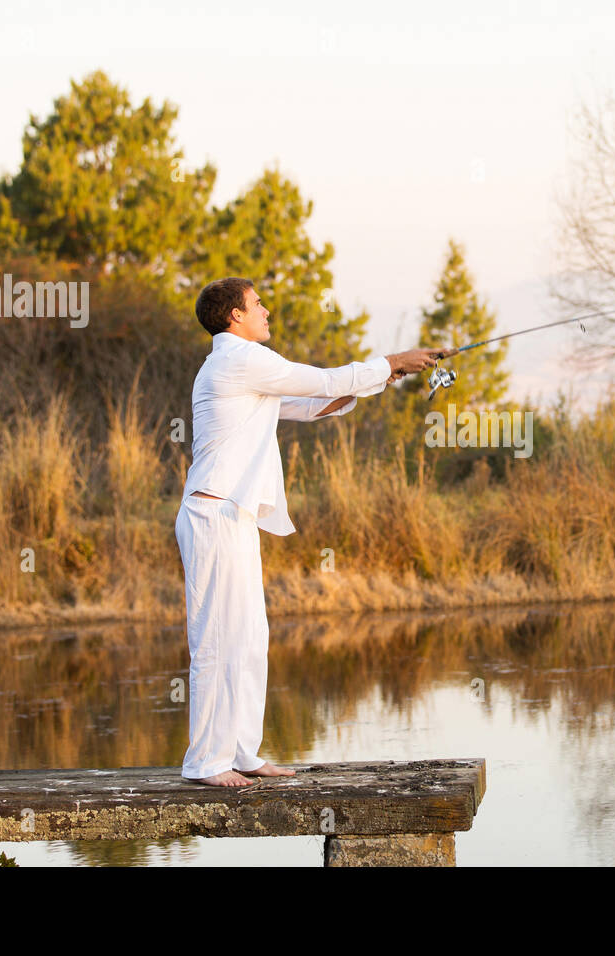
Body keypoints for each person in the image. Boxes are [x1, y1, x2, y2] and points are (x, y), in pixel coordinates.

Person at [176, 276, 449, 786]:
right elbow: (321, 380)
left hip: (234, 517)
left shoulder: (248, 369)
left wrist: (381, 379)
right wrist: (389, 362)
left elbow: (310, 404)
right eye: (257, 304)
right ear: (234, 316)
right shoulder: (238, 358)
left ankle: (241, 753)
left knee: (250, 637)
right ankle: (204, 762)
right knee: (215, 638)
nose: (266, 310)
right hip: (212, 515)